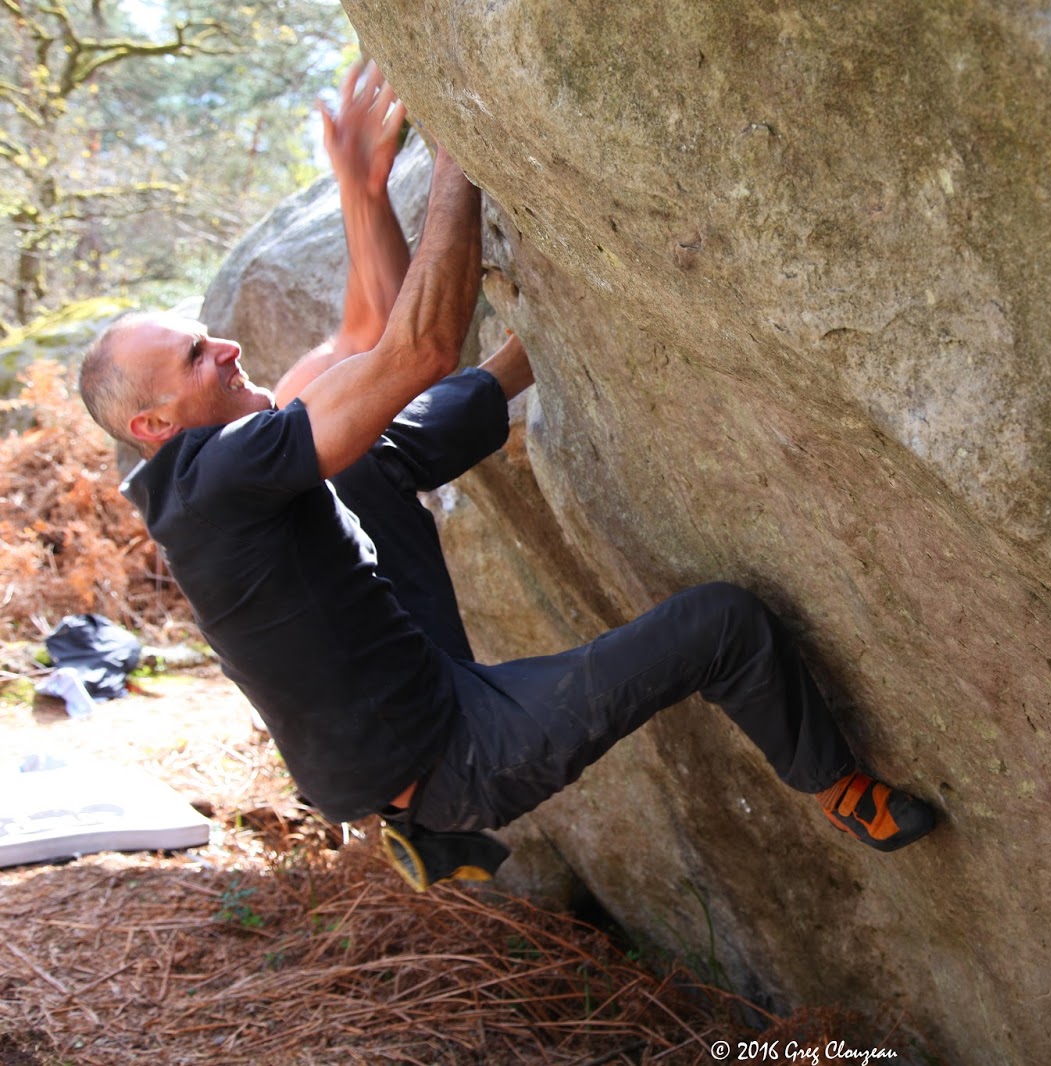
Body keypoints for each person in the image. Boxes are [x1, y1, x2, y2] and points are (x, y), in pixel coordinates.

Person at [79, 64, 934, 889]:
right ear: (153, 426)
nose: (224, 346)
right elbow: (417, 349)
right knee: (723, 624)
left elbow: (369, 340)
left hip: (423, 680)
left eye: (206, 333)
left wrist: (364, 190)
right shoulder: (210, 482)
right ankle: (837, 787)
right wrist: (458, 142)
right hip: (455, 757)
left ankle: (531, 354)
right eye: (197, 355)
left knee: (368, 457)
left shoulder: (235, 462)